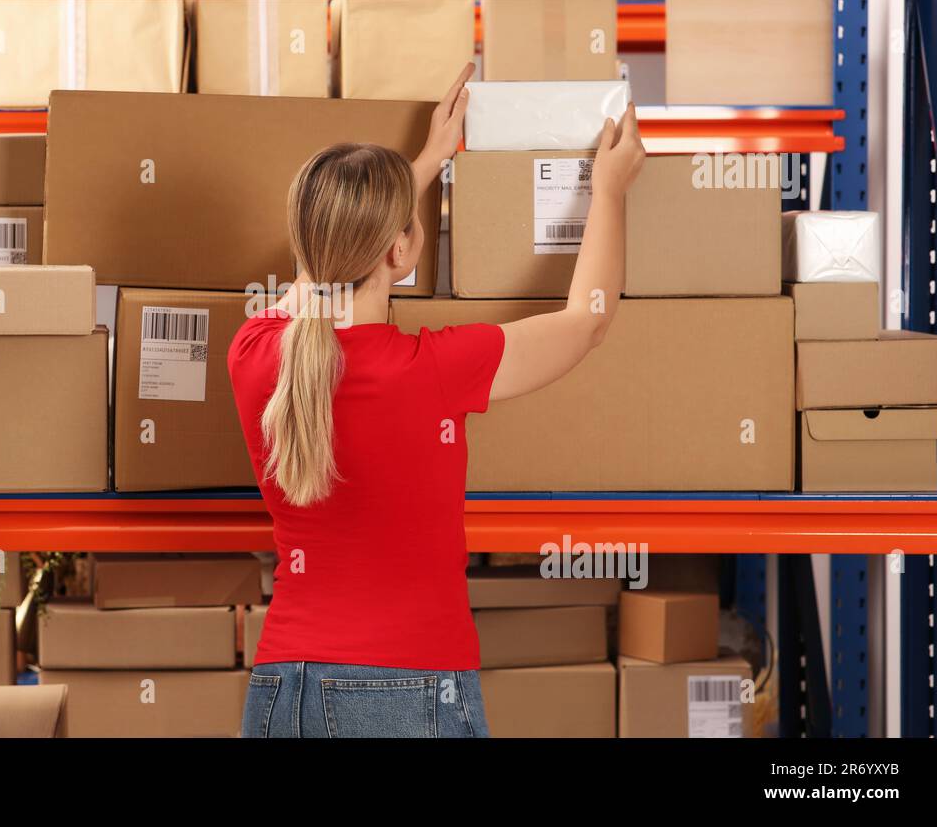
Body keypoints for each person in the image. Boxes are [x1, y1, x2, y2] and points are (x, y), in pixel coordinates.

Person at [227, 64, 646, 738]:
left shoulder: (254, 354)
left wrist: (417, 168)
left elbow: (323, 268)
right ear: (400, 247)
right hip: (405, 684)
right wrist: (611, 190)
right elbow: (587, 321)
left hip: (283, 684)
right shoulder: (433, 370)